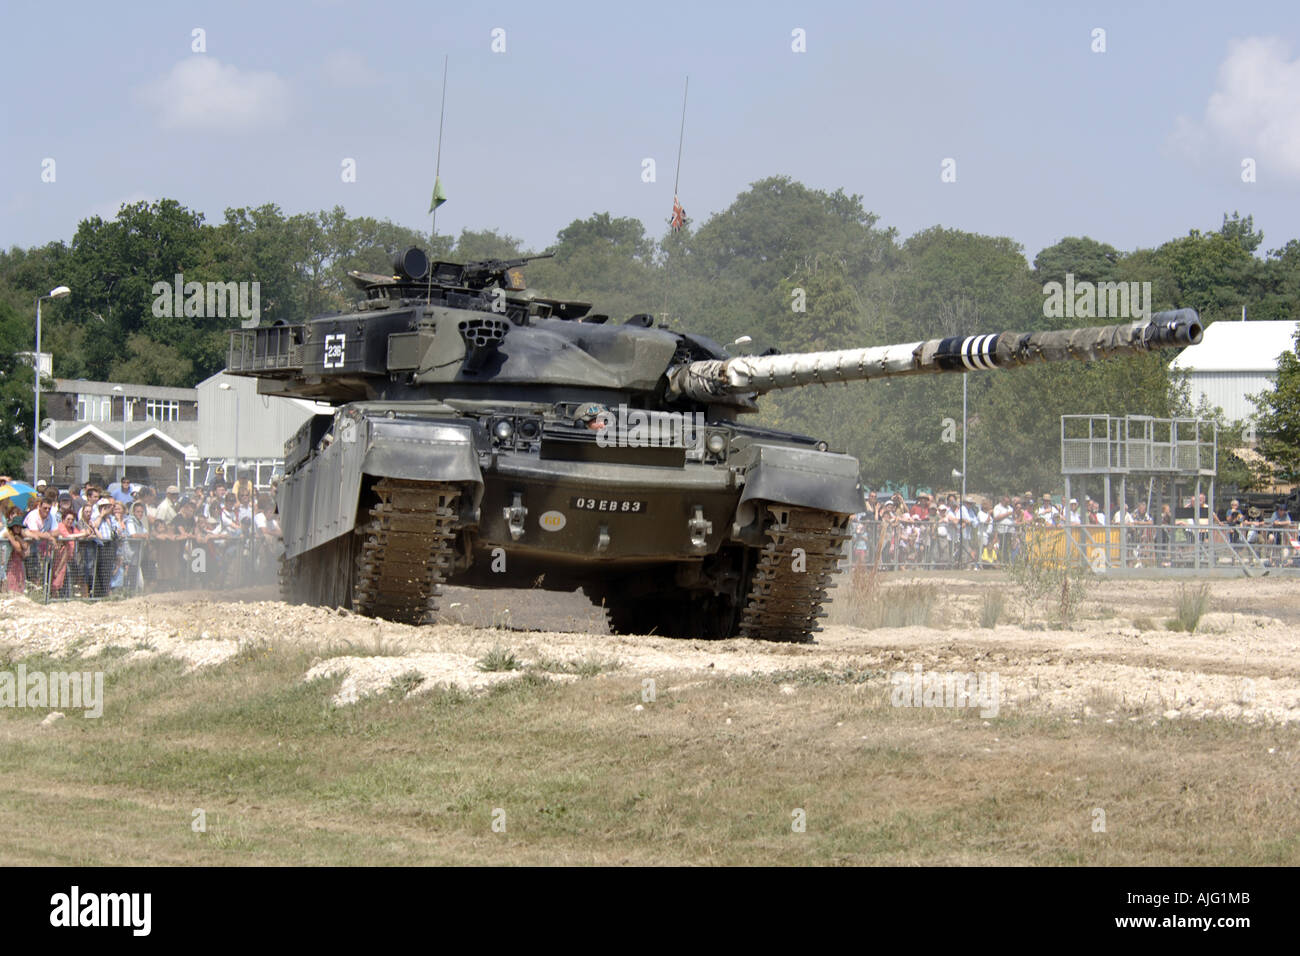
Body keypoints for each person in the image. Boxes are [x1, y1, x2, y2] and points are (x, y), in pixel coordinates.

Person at [4, 507, 27, 592]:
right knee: (11, 587)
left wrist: (18, 538)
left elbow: (25, 547)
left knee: (20, 586)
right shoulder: (8, 535)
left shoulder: (20, 536)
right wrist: (15, 538)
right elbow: (18, 548)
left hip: (19, 565)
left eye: (19, 526)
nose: (17, 528)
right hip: (10, 565)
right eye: (16, 526)